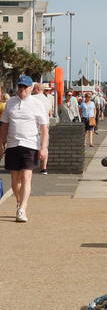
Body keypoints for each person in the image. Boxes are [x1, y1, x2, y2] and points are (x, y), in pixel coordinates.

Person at [0, 75, 49, 222]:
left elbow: (44, 128)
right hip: (13, 144)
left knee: (27, 177)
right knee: (15, 180)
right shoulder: (10, 103)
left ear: (31, 88)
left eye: (25, 87)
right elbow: (4, 125)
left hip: (30, 144)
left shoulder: (37, 104)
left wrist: (44, 147)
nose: (22, 90)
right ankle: (18, 201)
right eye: (20, 87)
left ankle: (22, 208)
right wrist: (1, 143)